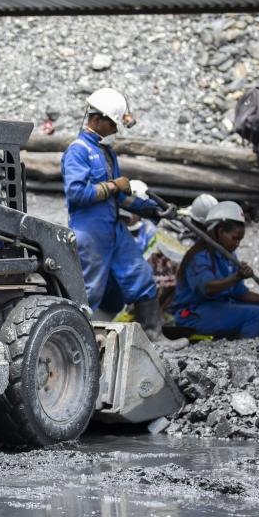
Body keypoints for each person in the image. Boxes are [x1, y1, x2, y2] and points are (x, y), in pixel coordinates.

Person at [62, 87, 186, 348]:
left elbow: (120, 197)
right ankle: (74, 344)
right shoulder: (78, 151)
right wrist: (113, 185)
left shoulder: (107, 153)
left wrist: (152, 209)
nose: (115, 131)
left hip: (113, 229)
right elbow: (76, 193)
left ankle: (154, 336)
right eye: (113, 125)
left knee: (139, 274)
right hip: (90, 233)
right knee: (90, 290)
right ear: (98, 119)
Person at [171, 201, 259, 339]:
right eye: (234, 238)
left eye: (240, 240)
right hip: (194, 313)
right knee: (255, 314)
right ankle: (247, 350)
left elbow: (240, 293)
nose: (237, 244)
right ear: (220, 232)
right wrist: (236, 277)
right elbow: (207, 288)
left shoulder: (229, 255)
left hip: (220, 307)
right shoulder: (199, 256)